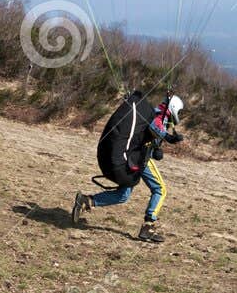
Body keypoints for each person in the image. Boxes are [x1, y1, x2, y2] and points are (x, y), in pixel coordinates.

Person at [73, 94, 183, 242]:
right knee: (160, 189)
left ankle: (87, 200)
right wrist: (168, 138)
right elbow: (153, 127)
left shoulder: (158, 115)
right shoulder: (159, 116)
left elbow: (150, 134)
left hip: (134, 159)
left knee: (123, 195)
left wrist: (157, 147)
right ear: (174, 108)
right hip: (139, 159)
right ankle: (148, 226)